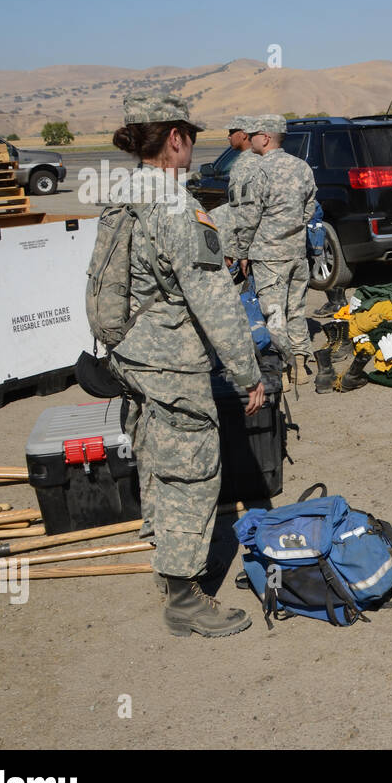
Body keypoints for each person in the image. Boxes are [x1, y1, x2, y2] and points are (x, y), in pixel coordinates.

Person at [107, 94, 265, 638]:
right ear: (175, 137)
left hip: (130, 353)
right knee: (192, 468)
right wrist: (247, 374)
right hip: (170, 359)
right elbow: (214, 301)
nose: (194, 146)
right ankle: (183, 595)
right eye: (191, 137)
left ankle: (162, 551)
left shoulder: (121, 195)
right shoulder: (175, 207)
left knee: (155, 453)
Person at [234, 115, 317, 381]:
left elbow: (249, 217)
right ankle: (302, 361)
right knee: (296, 309)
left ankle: (288, 366)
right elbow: (309, 208)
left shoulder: (258, 171)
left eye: (254, 134)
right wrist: (291, 230)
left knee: (274, 315)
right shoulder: (302, 167)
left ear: (265, 138)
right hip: (296, 252)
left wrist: (242, 251)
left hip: (269, 256)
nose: (251, 139)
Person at [208, 115, 256, 263]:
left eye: (231, 132)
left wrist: (230, 250)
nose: (228, 137)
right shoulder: (261, 158)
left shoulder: (243, 165)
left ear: (243, 134)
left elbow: (239, 212)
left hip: (246, 244)